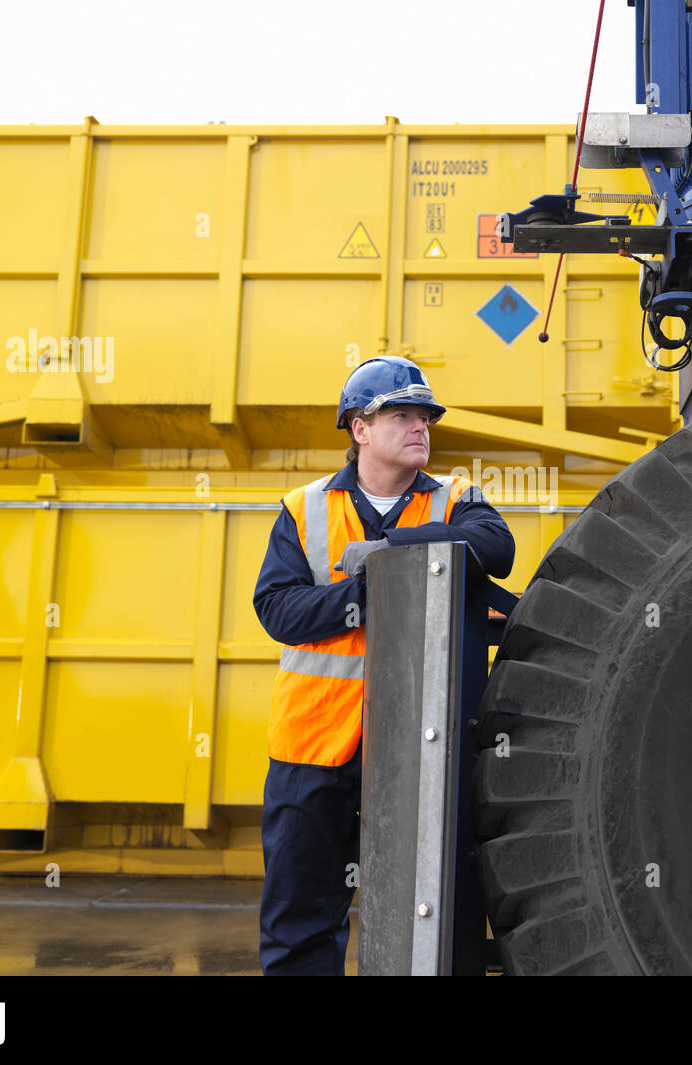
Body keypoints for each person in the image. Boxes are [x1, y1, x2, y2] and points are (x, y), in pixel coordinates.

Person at [253, 355, 515, 975]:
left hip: (424, 746)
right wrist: (374, 594)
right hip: (313, 746)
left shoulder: (456, 498)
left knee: (436, 914)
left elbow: (495, 548)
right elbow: (278, 609)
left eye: (425, 416)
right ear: (358, 428)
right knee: (300, 918)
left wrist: (389, 552)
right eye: (401, 414)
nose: (420, 426)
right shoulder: (304, 508)